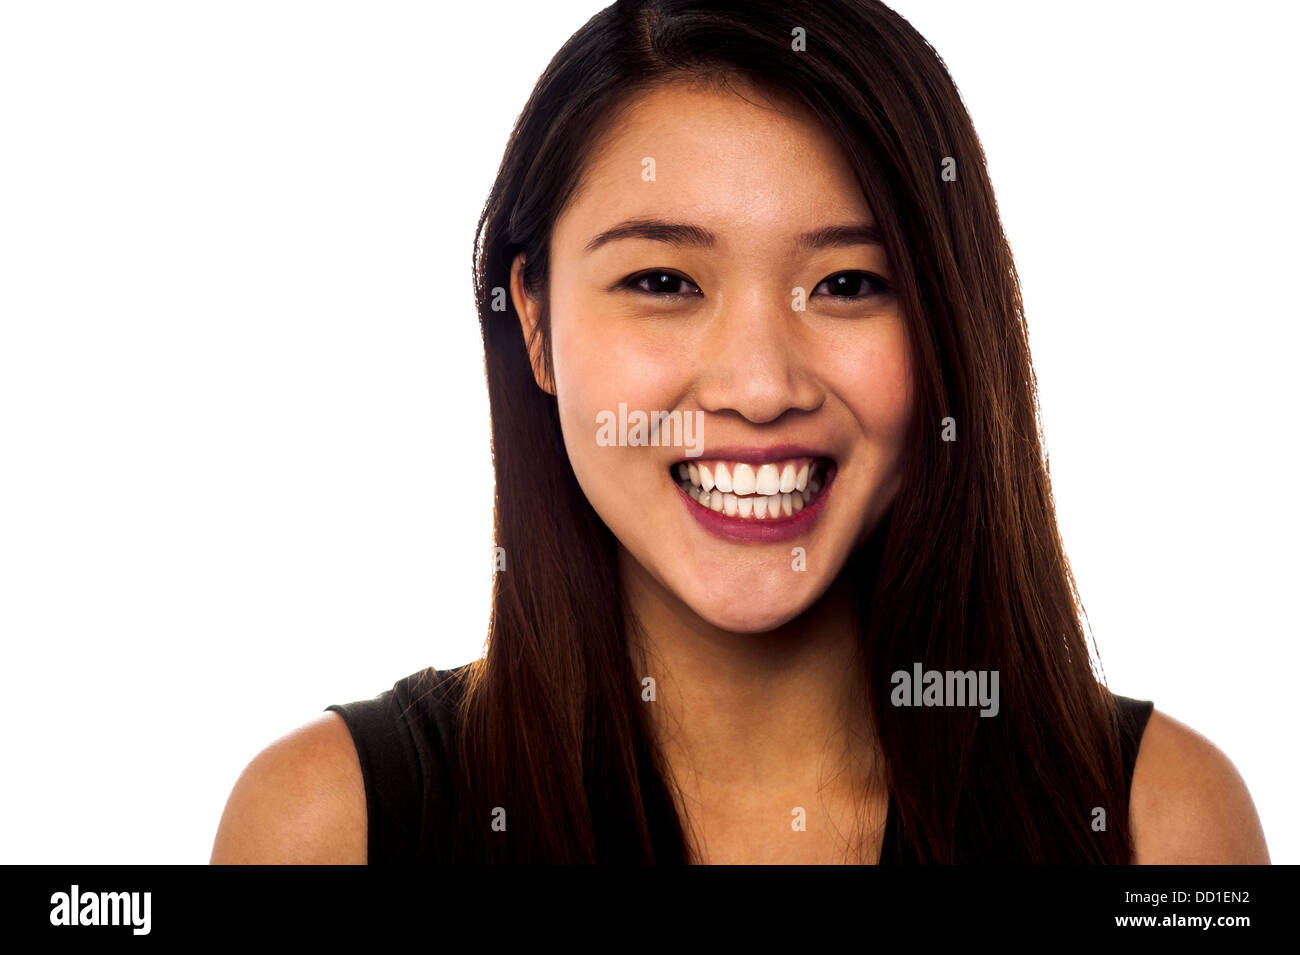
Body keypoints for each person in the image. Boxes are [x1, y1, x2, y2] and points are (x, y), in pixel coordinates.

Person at [211, 0, 1269, 864]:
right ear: (533, 320)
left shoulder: (1159, 827)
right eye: (663, 280)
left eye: (847, 283)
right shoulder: (328, 829)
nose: (759, 388)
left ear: (949, 317)